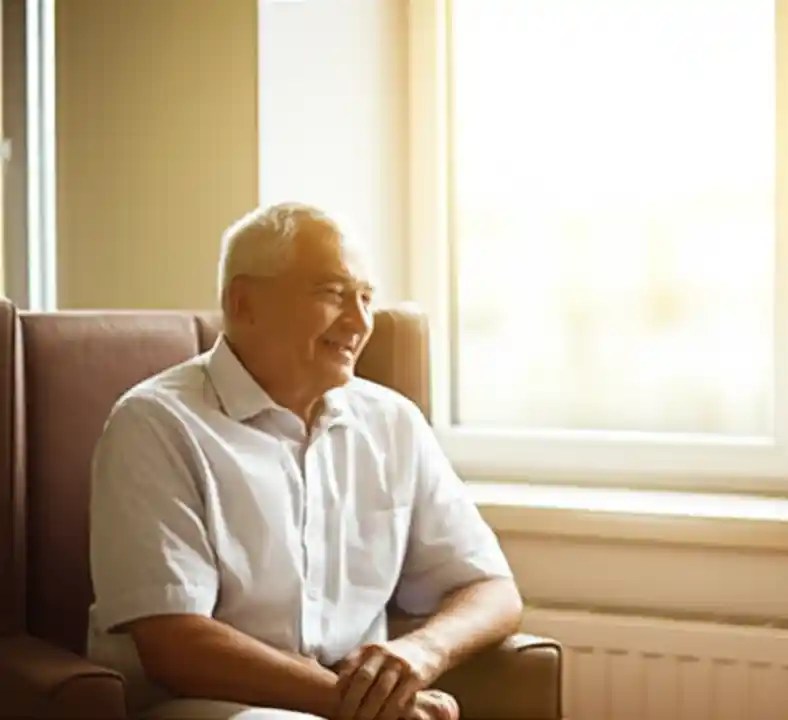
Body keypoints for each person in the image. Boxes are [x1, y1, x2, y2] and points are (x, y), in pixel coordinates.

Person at [86, 202, 523, 720]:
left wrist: (420, 653)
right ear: (244, 302)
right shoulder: (156, 423)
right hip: (196, 703)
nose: (361, 322)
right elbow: (175, 645)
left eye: (365, 297)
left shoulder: (392, 422)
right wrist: (364, 706)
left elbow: (492, 588)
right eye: (333, 294)